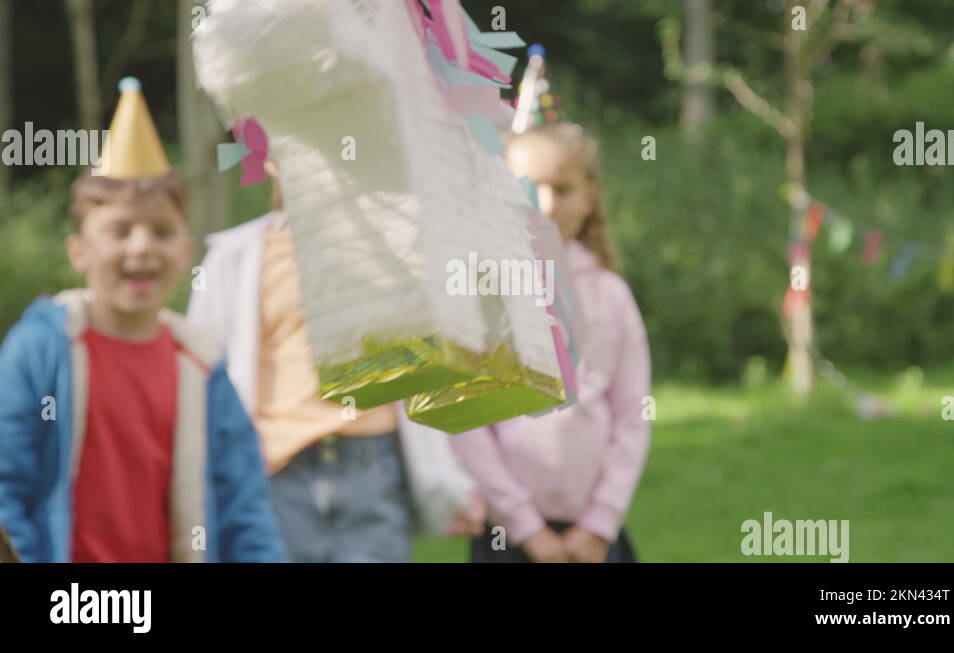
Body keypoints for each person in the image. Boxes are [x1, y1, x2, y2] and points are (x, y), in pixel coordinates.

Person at [0, 78, 284, 563]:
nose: (141, 247)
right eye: (119, 230)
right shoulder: (40, 348)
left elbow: (243, 504)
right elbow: (8, 485)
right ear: (79, 251)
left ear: (185, 250)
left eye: (160, 230)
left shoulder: (201, 364)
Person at [187, 163, 484, 563]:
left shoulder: (395, 246)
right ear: (272, 158)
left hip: (371, 466)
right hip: (275, 472)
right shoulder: (233, 258)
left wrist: (451, 479)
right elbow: (202, 376)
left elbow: (432, 368)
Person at [450, 122, 651, 563]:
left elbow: (632, 415)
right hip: (507, 538)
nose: (545, 204)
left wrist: (600, 525)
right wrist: (526, 529)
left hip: (595, 538)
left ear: (589, 195)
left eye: (563, 188)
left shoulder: (611, 295)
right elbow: (468, 421)